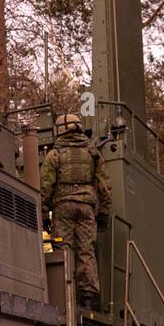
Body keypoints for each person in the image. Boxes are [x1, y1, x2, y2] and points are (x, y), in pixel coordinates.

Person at [39, 114, 111, 310]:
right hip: (87, 208)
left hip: (63, 208)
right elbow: (105, 186)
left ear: (60, 130)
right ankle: (87, 297)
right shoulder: (93, 153)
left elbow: (45, 186)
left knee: (64, 250)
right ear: (78, 128)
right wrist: (103, 212)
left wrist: (44, 213)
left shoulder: (54, 154)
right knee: (86, 249)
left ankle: (65, 296)